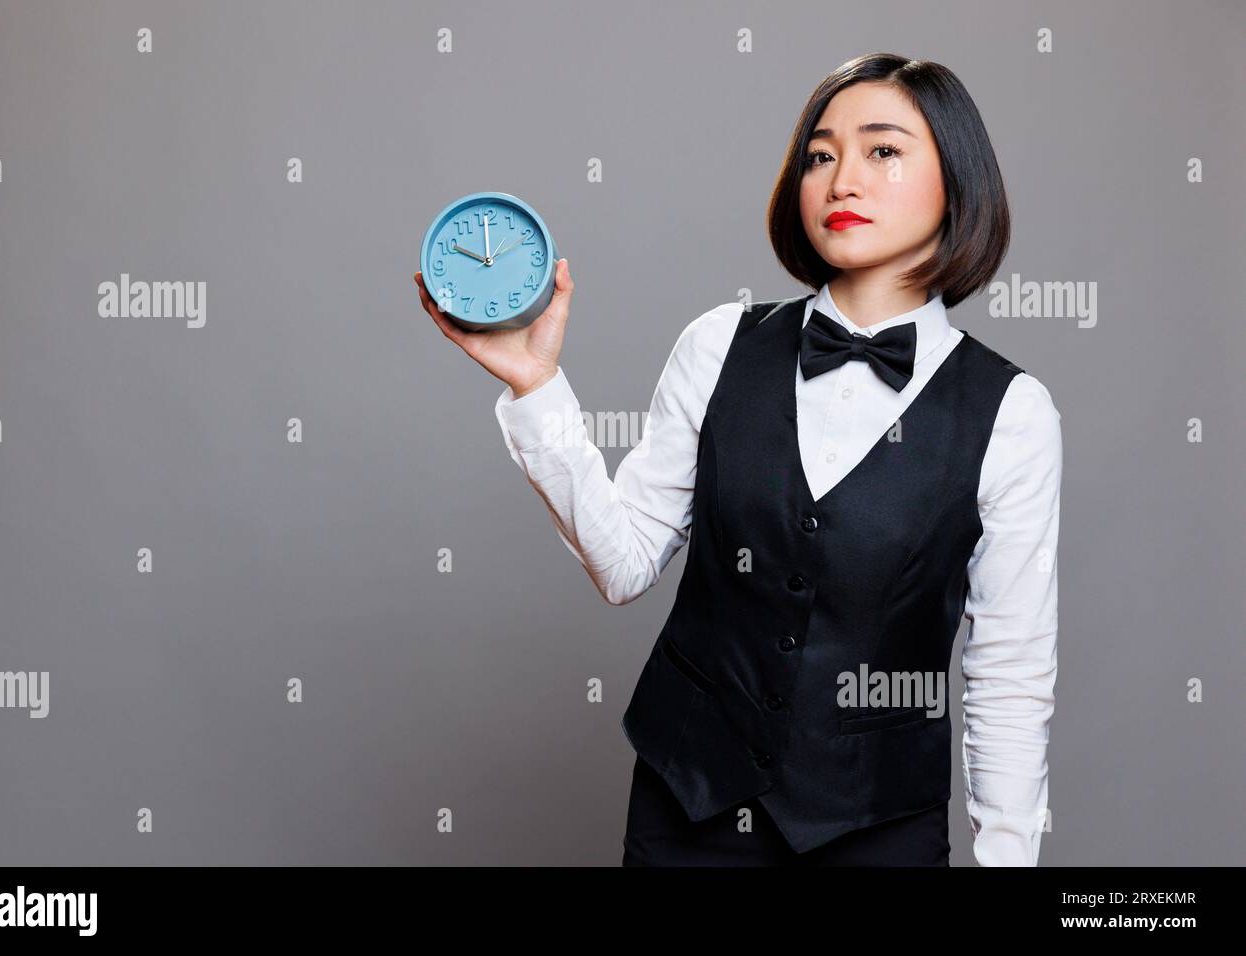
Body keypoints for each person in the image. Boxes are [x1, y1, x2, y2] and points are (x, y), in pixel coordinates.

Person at [414, 52, 1060, 867]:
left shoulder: (1012, 413)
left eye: (883, 151)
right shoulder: (719, 342)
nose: (841, 180)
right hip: (688, 811)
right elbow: (623, 565)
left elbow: (1009, 673)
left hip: (878, 832)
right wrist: (538, 386)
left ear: (958, 183)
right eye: (820, 156)